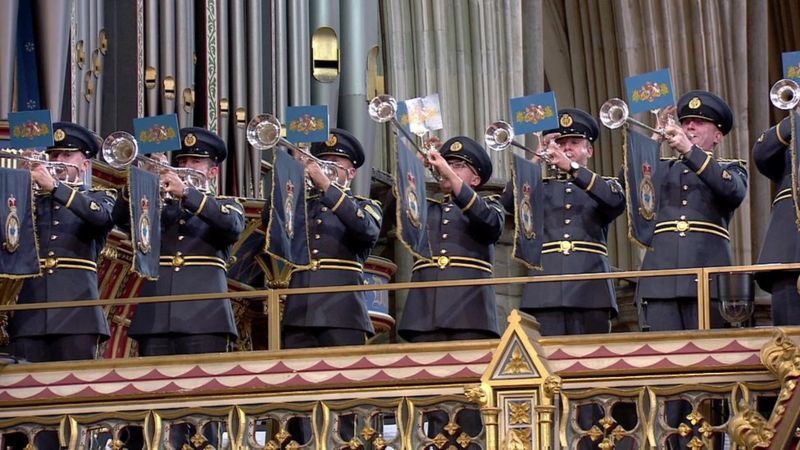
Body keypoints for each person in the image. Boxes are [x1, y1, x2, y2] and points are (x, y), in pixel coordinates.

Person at [112, 127, 243, 356]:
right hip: (155, 318)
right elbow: (120, 219)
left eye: (195, 161)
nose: (186, 166)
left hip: (205, 319)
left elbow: (231, 226)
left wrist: (187, 194)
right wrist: (141, 179)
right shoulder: (160, 206)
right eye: (182, 161)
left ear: (212, 172)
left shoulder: (228, 204)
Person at [500, 108, 625, 336]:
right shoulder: (539, 187)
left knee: (591, 355)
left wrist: (571, 168)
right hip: (545, 291)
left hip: (591, 291)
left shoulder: (604, 184)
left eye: (574, 143)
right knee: (546, 355)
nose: (566, 148)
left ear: (589, 150)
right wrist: (535, 158)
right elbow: (508, 202)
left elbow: (615, 202)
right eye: (560, 143)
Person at [635, 90, 748, 331]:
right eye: (685, 122)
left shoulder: (731, 168)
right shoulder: (662, 168)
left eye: (699, 122)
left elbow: (733, 191)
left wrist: (690, 151)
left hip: (708, 278)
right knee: (660, 350)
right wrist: (653, 141)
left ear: (718, 136)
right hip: (660, 280)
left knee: (708, 349)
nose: (690, 127)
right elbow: (632, 189)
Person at [264, 128, 382, 349]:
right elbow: (271, 222)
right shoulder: (304, 205)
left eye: (334, 162)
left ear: (352, 173)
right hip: (298, 311)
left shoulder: (367, 206)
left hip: (343, 312)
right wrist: (291, 176)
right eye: (322, 161)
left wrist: (326, 186)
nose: (325, 167)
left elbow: (366, 230)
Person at [8, 122, 114, 363]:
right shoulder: (32, 199)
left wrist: (55, 187)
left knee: (74, 383)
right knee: (24, 384)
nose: (57, 160)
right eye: (54, 155)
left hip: (77, 315)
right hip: (29, 314)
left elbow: (100, 217)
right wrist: (19, 185)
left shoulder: (99, 196)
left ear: (84, 164)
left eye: (66, 155)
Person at [398, 136, 504, 341]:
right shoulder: (427, 208)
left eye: (459, 165)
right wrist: (413, 167)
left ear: (475, 180)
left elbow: (490, 224)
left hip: (470, 313)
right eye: (447, 163)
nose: (447, 168)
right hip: (423, 314)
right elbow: (393, 209)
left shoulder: (491, 205)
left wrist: (448, 172)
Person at [753, 114, 798, 325]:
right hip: (789, 249)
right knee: (787, 338)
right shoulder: (792, 133)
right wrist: (795, 118)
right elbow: (762, 155)